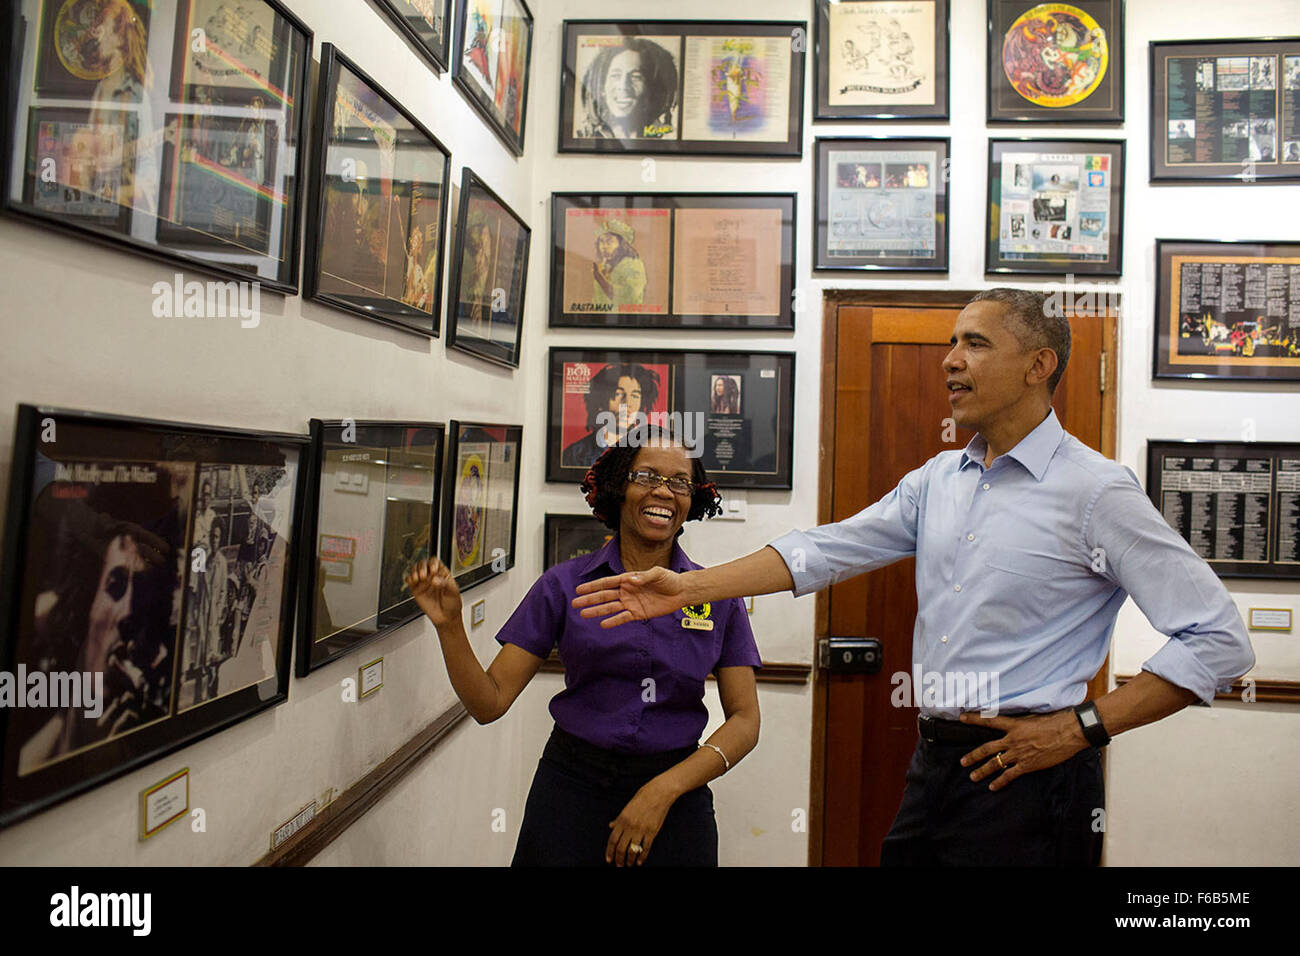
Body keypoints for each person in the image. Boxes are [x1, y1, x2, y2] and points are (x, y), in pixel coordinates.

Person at [573, 288, 1256, 866]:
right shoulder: (940, 478)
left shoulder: (1096, 492)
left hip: (1033, 777)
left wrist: (1082, 728)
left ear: (1038, 366)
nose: (951, 361)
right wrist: (688, 587)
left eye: (976, 344)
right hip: (936, 767)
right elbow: (826, 549)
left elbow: (1218, 638)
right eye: (952, 343)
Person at [406, 427, 761, 865]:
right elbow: (489, 702)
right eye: (647, 476)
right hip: (571, 790)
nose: (664, 492)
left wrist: (664, 789)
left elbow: (746, 721)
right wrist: (450, 627)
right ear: (617, 486)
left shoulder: (715, 593)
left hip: (677, 794)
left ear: (694, 498)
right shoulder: (563, 586)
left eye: (679, 482)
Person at [560, 362, 661, 469]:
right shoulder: (576, 454)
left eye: (635, 396)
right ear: (600, 401)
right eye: (618, 394)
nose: (627, 403)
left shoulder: (650, 452)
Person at [577, 38, 678, 140]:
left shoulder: (669, 137)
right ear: (602, 88)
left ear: (652, 89)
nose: (623, 86)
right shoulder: (584, 137)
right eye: (615, 75)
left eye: (635, 77)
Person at [591, 219, 646, 309]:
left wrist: (600, 278)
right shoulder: (605, 266)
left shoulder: (633, 264)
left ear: (621, 244)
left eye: (609, 241)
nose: (604, 246)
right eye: (601, 241)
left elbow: (629, 297)